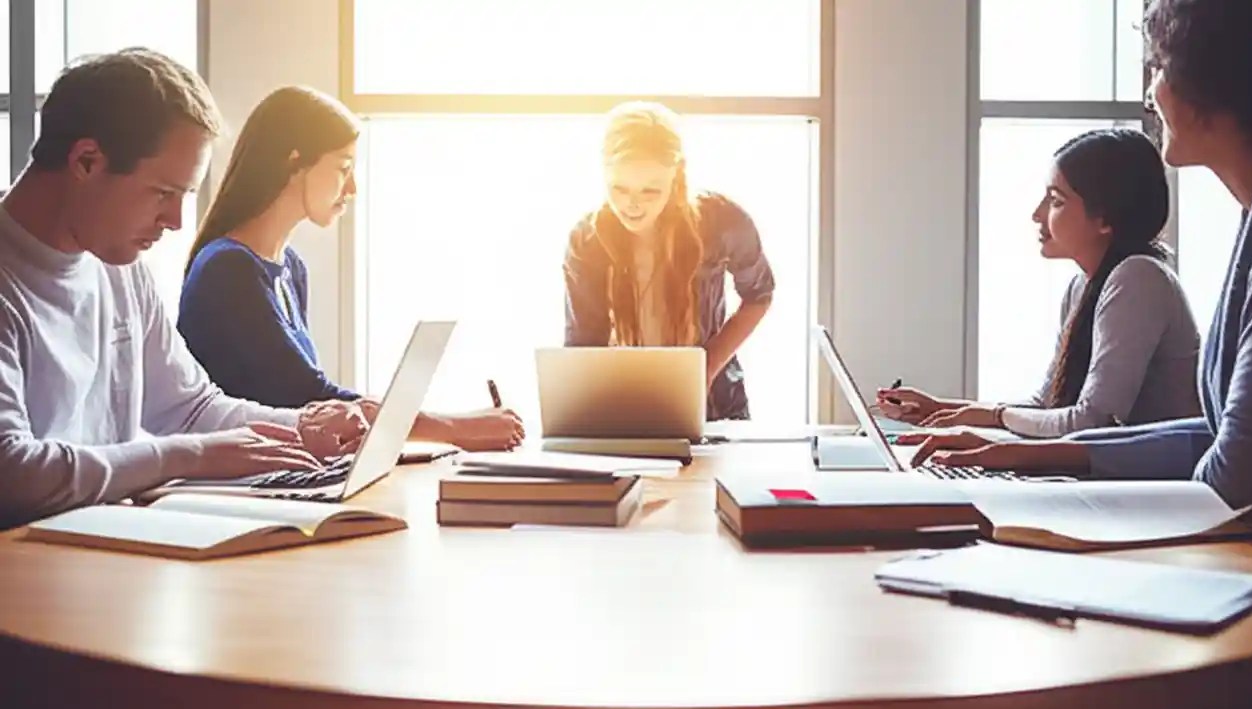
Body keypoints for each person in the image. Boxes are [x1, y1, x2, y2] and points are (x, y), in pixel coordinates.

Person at [903, 0, 1252, 523]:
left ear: (1209, 95)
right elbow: (1215, 436)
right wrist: (1021, 452)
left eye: (1163, 68)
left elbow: (1234, 476)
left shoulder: (1152, 273)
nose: (1152, 89)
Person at [0, 49, 369, 529]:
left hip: (100, 555)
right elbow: (11, 473)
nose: (175, 222)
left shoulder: (118, 263)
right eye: (163, 192)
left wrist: (302, 429)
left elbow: (191, 407)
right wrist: (190, 456)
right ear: (86, 161)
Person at [177, 86, 524, 451]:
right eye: (344, 168)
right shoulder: (228, 269)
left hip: (284, 464)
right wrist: (456, 427)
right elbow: (308, 398)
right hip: (234, 480)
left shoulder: (291, 268)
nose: (353, 187)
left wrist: (454, 427)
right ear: (294, 161)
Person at [878, 129, 1201, 438]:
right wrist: (940, 410)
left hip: (1150, 487)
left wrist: (996, 417)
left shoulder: (1138, 279)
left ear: (1104, 218)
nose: (1037, 214)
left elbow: (1092, 422)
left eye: (1056, 201)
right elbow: (1045, 407)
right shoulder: (1082, 287)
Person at [563, 101, 775, 421]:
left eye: (650, 191)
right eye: (618, 189)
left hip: (714, 408)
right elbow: (582, 345)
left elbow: (759, 295)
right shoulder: (586, 240)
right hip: (621, 406)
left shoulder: (721, 221)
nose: (632, 205)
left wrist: (706, 367)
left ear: (676, 178)